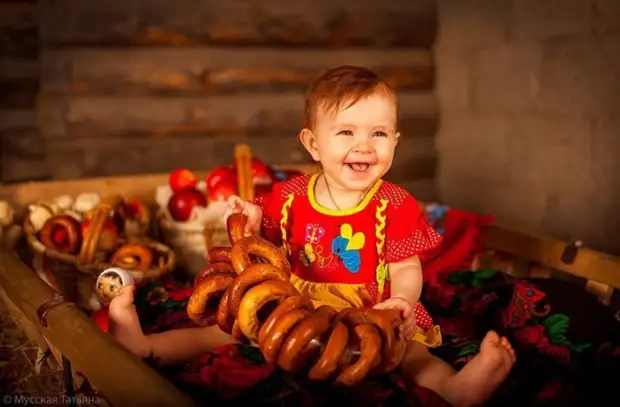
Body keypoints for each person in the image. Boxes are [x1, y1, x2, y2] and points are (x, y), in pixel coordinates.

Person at [109, 66, 515, 407]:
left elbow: (405, 265)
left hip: (369, 311)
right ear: (313, 143)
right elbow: (263, 250)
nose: (364, 146)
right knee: (220, 332)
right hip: (295, 309)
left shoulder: (395, 203)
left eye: (378, 134)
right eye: (346, 133)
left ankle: (457, 389)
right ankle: (145, 348)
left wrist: (401, 301)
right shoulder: (289, 197)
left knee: (409, 354)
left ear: (394, 141)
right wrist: (251, 219)